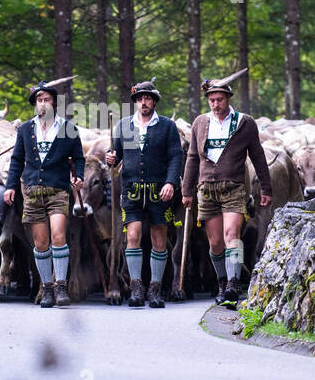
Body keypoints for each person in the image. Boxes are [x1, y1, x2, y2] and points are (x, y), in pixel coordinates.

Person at [182, 75, 273, 307]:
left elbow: (258, 156)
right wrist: (187, 191)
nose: (216, 104)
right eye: (212, 100)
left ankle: (233, 283)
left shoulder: (244, 123)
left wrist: (266, 186)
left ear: (228, 98)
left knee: (232, 235)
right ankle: (222, 282)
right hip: (206, 190)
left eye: (220, 99)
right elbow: (192, 158)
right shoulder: (200, 123)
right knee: (214, 243)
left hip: (233, 187)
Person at [3, 77, 84, 308]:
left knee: (58, 236)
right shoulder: (26, 129)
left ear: (54, 103)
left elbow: (79, 157)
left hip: (58, 189)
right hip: (32, 191)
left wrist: (79, 176)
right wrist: (10, 186)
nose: (43, 103)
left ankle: (61, 287)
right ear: (35, 104)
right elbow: (17, 160)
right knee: (40, 243)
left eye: (47, 99)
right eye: (39, 99)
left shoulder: (68, 129)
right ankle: (46, 287)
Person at [106, 80, 184, 308]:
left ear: (154, 101)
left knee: (160, 238)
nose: (144, 102)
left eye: (148, 98)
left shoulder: (167, 126)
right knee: (133, 237)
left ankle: (155, 290)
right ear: (135, 102)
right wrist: (110, 160)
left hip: (159, 190)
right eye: (140, 99)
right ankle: (136, 289)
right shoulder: (123, 126)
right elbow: (115, 157)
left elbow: (176, 157)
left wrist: (170, 182)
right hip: (131, 190)